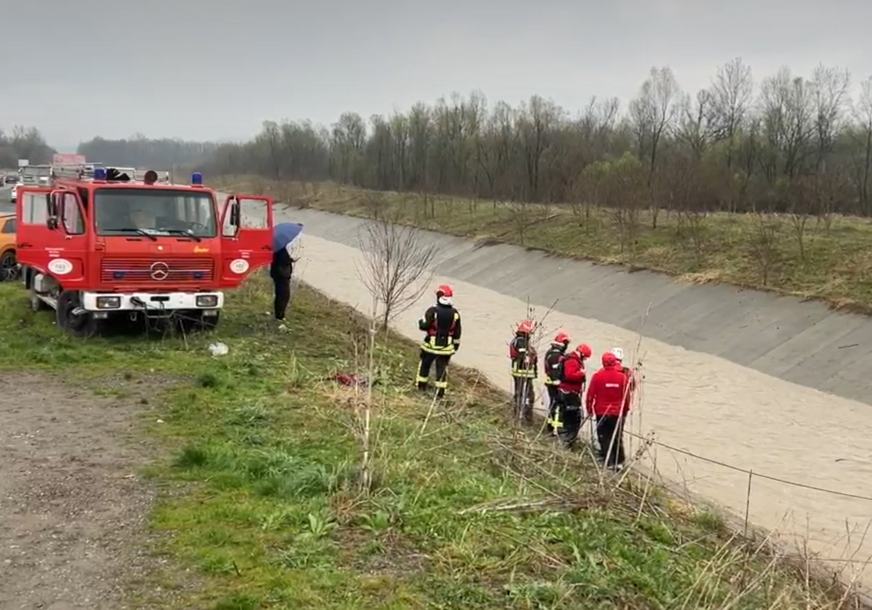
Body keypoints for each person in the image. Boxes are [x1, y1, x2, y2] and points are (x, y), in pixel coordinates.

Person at [586, 352, 631, 471]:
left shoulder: (597, 376)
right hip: (617, 413)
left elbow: (590, 395)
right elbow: (626, 396)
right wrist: (625, 410)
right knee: (617, 436)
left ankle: (608, 461)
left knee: (604, 436)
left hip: (601, 411)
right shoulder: (623, 377)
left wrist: (589, 409)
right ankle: (619, 461)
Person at [416, 285, 461, 398]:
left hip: (430, 347)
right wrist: (455, 346)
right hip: (447, 348)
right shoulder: (455, 314)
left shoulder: (432, 311)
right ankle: (440, 393)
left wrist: (421, 321)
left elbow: (424, 326)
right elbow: (457, 332)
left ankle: (421, 387)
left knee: (425, 365)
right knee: (442, 369)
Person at [554, 343, 592, 449]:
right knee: (573, 418)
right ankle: (567, 440)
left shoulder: (570, 359)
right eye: (585, 357)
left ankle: (566, 439)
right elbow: (570, 375)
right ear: (582, 354)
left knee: (567, 416)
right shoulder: (572, 361)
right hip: (569, 393)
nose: (585, 360)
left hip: (567, 392)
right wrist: (581, 373)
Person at [509, 320, 538, 423]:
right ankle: (523, 417)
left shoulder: (518, 341)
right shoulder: (521, 342)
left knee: (522, 394)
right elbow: (524, 356)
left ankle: (520, 415)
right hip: (522, 373)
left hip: (521, 373)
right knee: (526, 396)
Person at [543, 331, 571, 433]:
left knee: (553, 405)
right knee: (558, 406)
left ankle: (551, 426)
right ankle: (556, 429)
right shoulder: (556, 356)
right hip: (555, 385)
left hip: (552, 383)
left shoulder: (551, 353)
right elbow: (555, 372)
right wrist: (560, 382)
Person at [269, 245, 294, 325]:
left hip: (279, 273)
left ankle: (280, 315)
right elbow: (283, 260)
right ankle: (280, 316)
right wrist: (290, 260)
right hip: (281, 274)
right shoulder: (279, 247)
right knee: (283, 295)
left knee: (281, 295)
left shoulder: (278, 246)